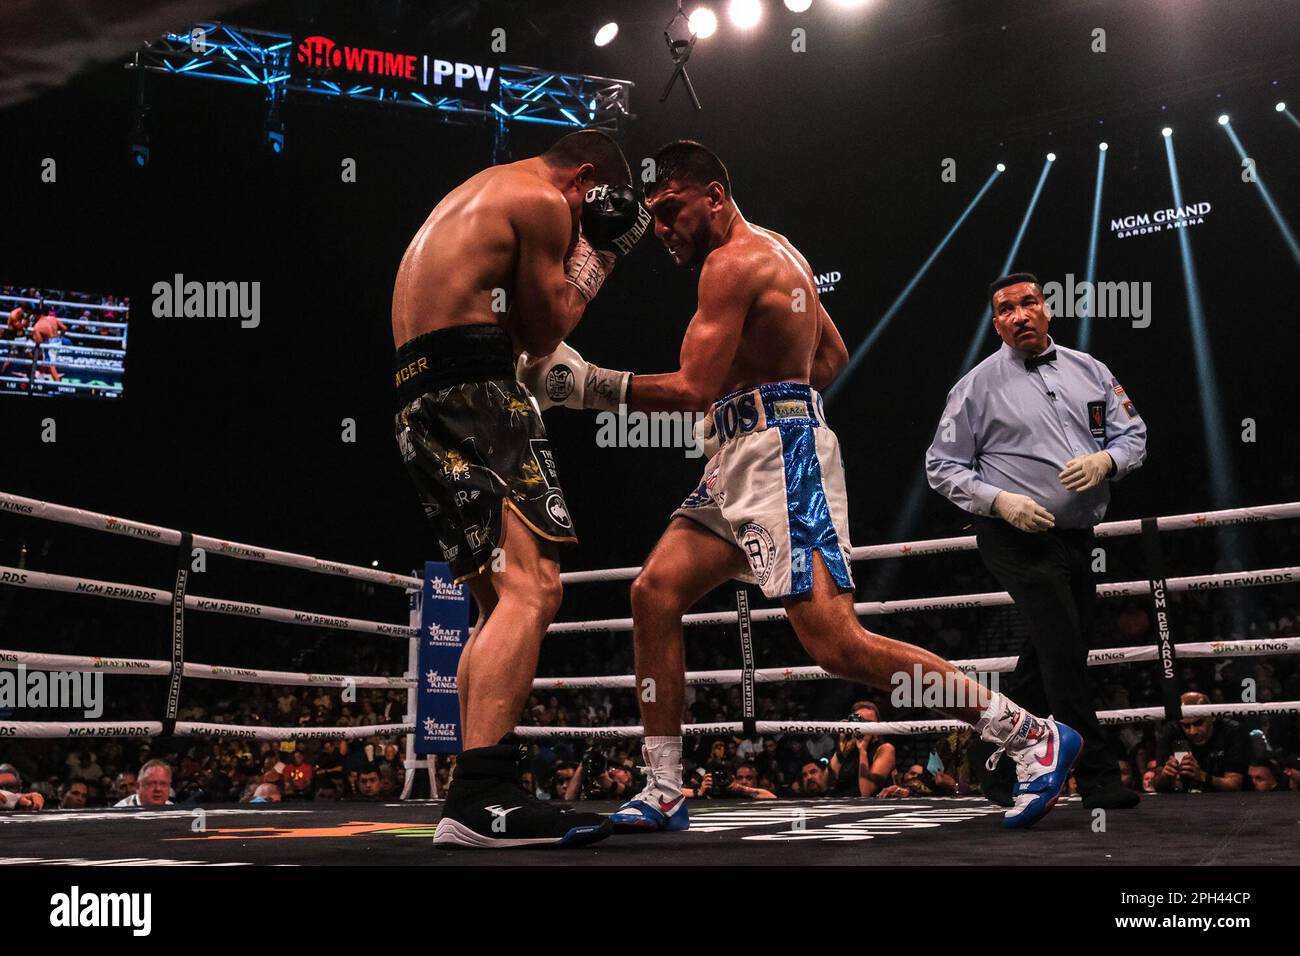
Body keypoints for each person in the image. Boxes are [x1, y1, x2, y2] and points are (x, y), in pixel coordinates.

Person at [520, 141, 1079, 833]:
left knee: (837, 646)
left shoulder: (731, 265)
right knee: (654, 592)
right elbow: (831, 355)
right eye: (655, 216)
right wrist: (757, 404)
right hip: (748, 454)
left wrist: (586, 387)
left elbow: (693, 388)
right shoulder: (780, 249)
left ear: (714, 198)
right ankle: (663, 786)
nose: (661, 228)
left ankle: (1028, 733)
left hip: (778, 458)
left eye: (671, 210)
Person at [391, 129, 650, 848]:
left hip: (421, 396)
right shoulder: (539, 199)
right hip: (476, 388)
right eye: (589, 207)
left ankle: (471, 794)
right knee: (536, 588)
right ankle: (486, 795)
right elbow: (545, 329)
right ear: (587, 180)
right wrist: (602, 252)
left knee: (496, 595)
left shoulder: (482, 188)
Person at [925, 272, 1147, 811]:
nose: (1019, 315)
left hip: (1076, 537)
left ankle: (994, 765)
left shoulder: (1090, 369)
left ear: (1047, 308)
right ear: (995, 321)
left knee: (1051, 652)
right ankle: (1096, 774)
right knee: (1064, 649)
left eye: (1028, 303)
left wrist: (1107, 460)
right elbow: (941, 465)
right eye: (1006, 308)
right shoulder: (975, 387)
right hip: (1013, 537)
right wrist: (999, 501)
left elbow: (1133, 434)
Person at [1152, 692, 1249, 793]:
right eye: (1186, 726)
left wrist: (1202, 777)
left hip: (1225, 802)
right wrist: (1165, 777)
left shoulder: (1232, 731)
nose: (1192, 732)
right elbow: (1157, 785)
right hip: (1185, 802)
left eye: (1198, 723)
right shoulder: (1170, 731)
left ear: (1212, 717)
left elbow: (1234, 785)